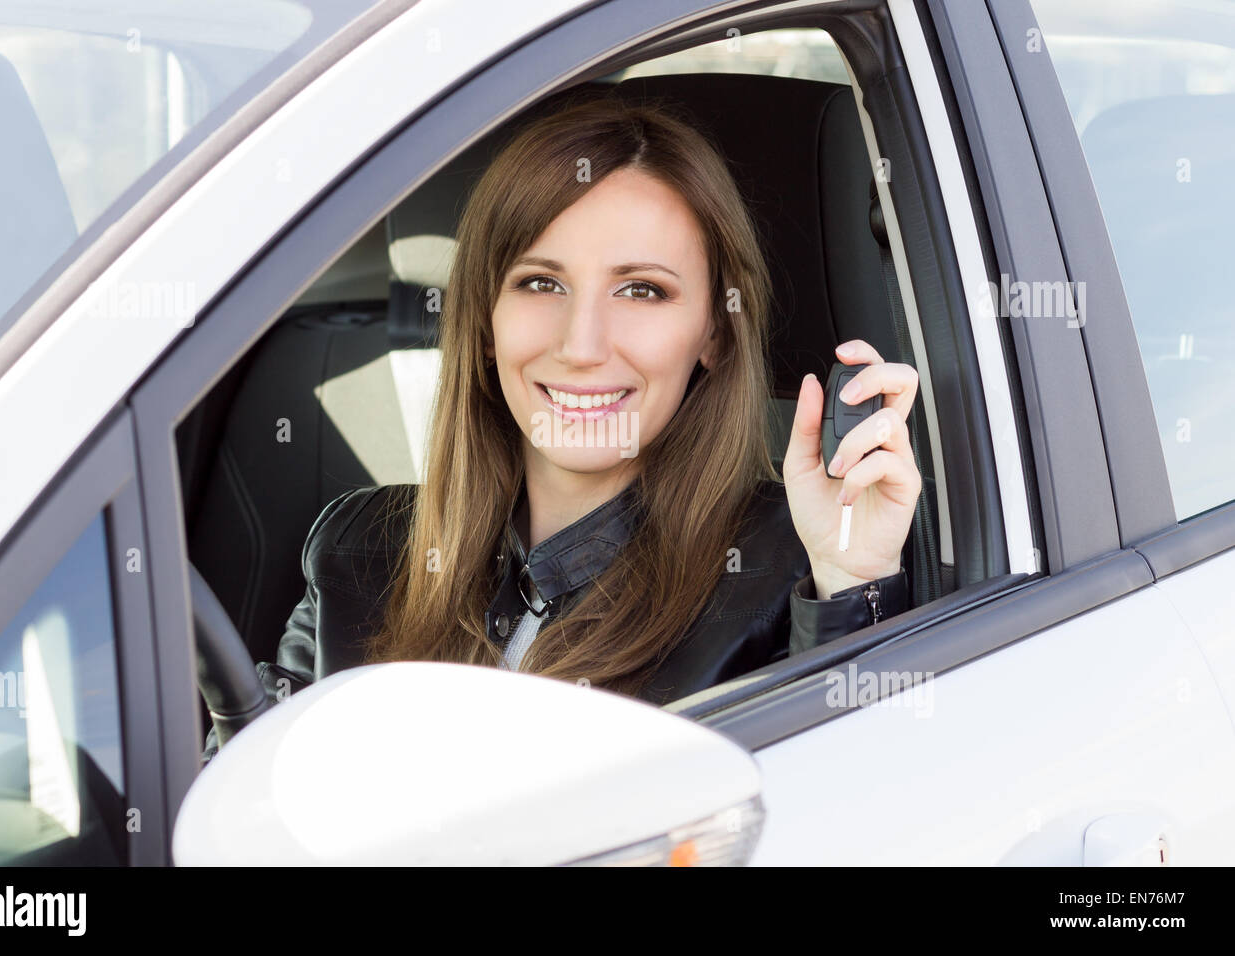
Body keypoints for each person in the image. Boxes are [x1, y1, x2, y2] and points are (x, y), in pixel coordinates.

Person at [201, 94, 921, 762]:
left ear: (715, 333)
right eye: (541, 283)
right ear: (483, 323)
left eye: (641, 290)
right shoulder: (358, 546)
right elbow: (246, 799)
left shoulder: (791, 568)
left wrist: (850, 587)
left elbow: (848, 812)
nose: (581, 344)